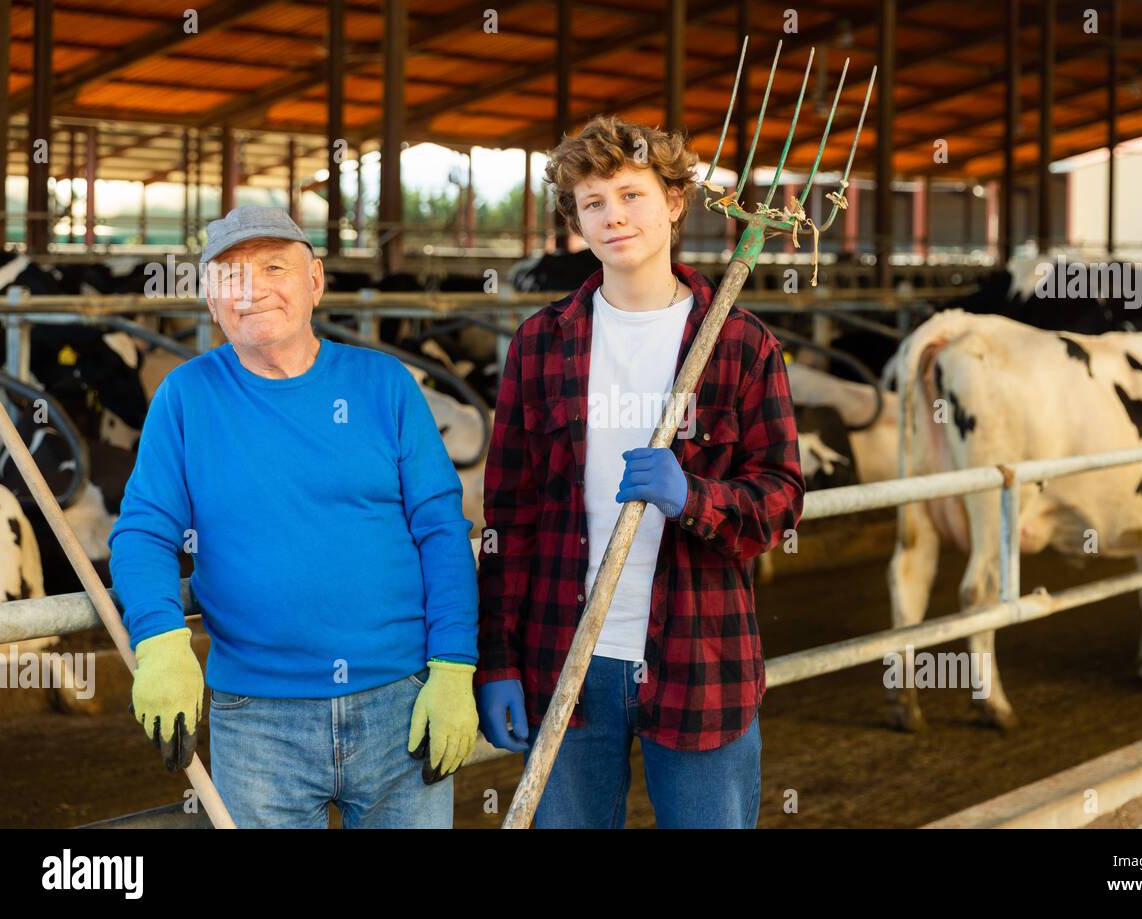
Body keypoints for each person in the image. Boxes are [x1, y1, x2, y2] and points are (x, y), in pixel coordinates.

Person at [476, 115, 805, 828]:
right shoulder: (539, 344)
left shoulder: (739, 343)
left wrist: (696, 497)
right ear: (576, 220)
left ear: (676, 201)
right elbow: (509, 516)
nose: (613, 216)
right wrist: (496, 656)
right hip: (564, 658)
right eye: (592, 203)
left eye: (631, 194)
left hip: (700, 659)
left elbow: (781, 498)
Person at [108, 205, 479, 828]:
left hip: (401, 701)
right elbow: (144, 531)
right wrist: (161, 642)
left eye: (273, 266)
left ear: (315, 281)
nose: (250, 289)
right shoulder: (186, 396)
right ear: (209, 299)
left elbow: (441, 532)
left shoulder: (384, 385)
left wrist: (454, 666)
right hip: (257, 718)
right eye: (229, 276)